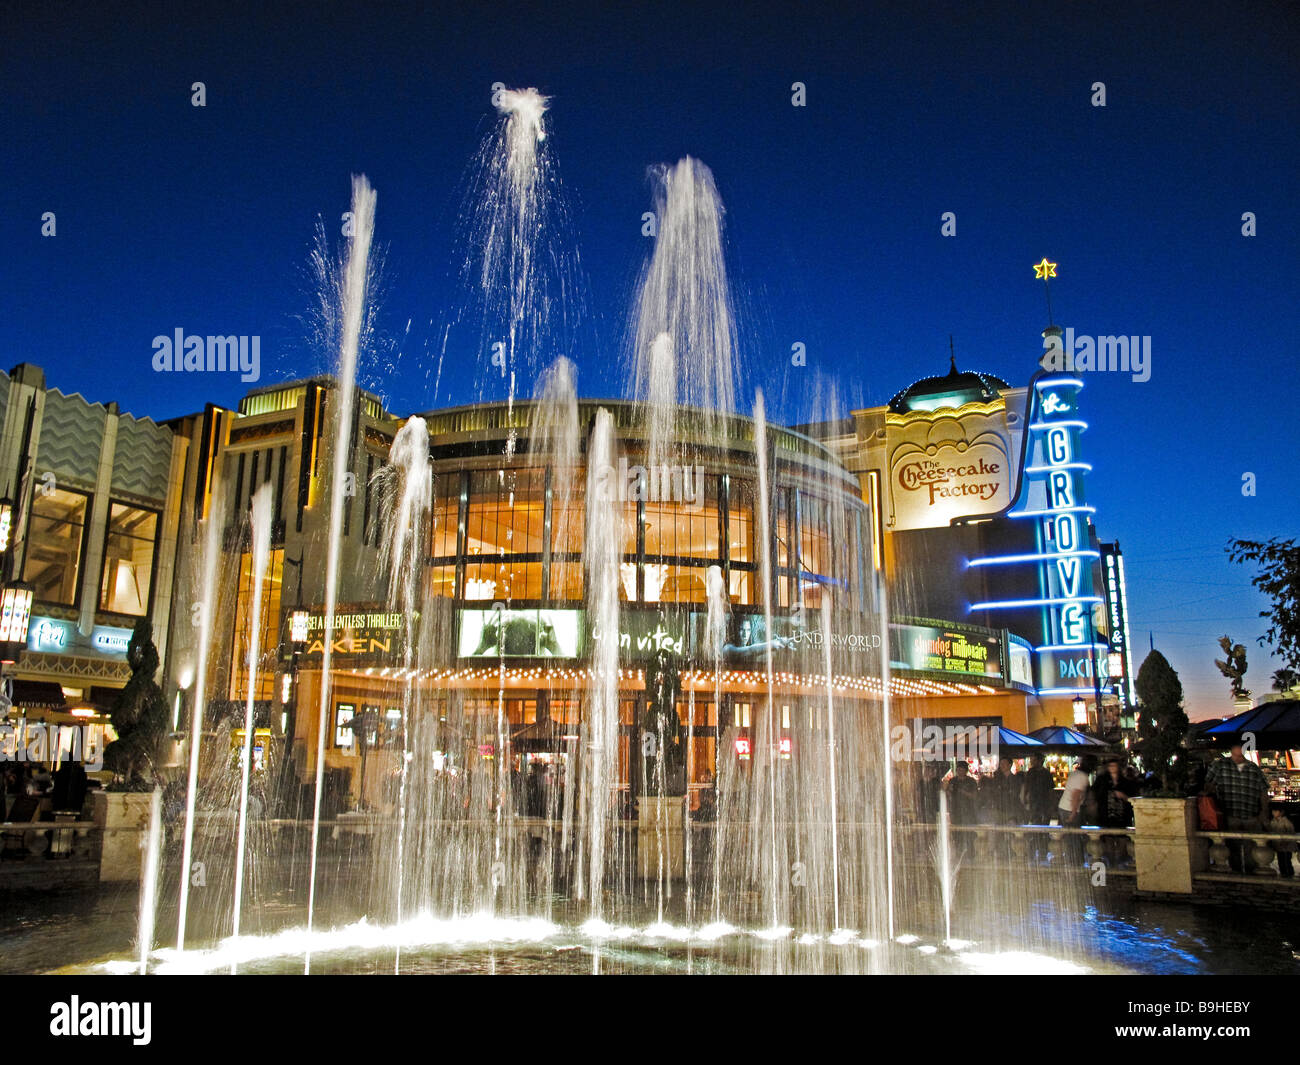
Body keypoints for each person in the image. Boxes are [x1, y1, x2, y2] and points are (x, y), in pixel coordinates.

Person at [1204, 743, 1270, 873]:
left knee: (1251, 849)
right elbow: (1208, 785)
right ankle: (1238, 872)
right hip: (1230, 814)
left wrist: (1264, 811)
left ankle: (1249, 874)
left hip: (1251, 815)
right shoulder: (1220, 766)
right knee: (1233, 847)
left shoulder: (1253, 768)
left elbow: (1263, 791)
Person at [1020, 753, 1056, 824]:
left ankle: (1041, 834)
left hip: (1044, 801)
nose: (1032, 762)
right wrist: (1025, 798)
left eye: (1033, 760)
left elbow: (1051, 790)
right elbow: (1026, 786)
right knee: (1036, 820)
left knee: (1043, 820)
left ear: (1039, 761)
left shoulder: (1046, 773)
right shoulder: (1031, 772)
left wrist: (1051, 803)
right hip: (1034, 801)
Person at [942, 761, 979, 826]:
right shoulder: (952, 780)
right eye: (958, 770)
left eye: (962, 770)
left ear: (966, 771)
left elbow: (975, 796)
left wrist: (963, 792)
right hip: (955, 810)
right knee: (956, 830)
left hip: (968, 810)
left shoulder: (971, 781)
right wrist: (947, 790)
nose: (960, 772)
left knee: (968, 830)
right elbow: (948, 794)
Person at [1267, 804, 1295, 878]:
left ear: (1281, 812)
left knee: (1286, 861)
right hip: (1278, 846)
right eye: (1273, 811)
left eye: (1276, 811)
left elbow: (1291, 833)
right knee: (1281, 861)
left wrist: (1285, 842)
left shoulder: (1286, 821)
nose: (1274, 813)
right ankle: (1284, 875)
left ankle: (1289, 875)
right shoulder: (1273, 821)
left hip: (1286, 846)